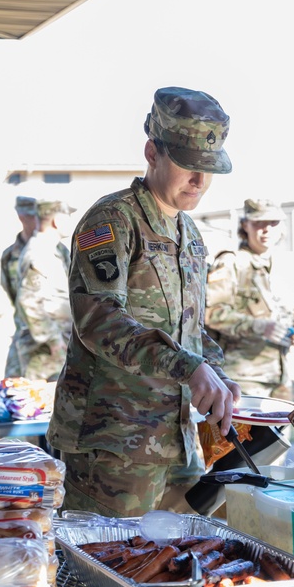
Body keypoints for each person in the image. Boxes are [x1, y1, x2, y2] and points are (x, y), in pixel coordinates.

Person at [47, 86, 242, 517]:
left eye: (208, 169)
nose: (199, 181)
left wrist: (217, 375)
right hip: (113, 447)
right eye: (188, 166)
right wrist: (190, 368)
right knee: (107, 570)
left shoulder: (188, 234)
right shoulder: (113, 220)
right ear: (152, 153)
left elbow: (191, 331)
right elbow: (99, 321)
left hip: (176, 443)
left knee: (177, 566)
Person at [205, 198, 294, 401]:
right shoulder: (231, 263)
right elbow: (213, 314)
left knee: (280, 432)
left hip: (280, 375)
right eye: (259, 223)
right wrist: (259, 326)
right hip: (243, 377)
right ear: (245, 225)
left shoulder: (286, 267)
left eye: (273, 223)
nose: (266, 230)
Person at [14, 198, 73, 381]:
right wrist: (53, 340)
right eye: (68, 216)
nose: (71, 221)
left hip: (57, 345)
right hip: (46, 352)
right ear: (56, 219)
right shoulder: (39, 252)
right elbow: (29, 301)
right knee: (44, 404)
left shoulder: (51, 250)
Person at [0, 195, 38, 377]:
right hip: (23, 336)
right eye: (31, 216)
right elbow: (11, 293)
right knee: (13, 390)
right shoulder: (9, 256)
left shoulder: (57, 252)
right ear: (21, 217)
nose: (36, 221)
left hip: (53, 341)